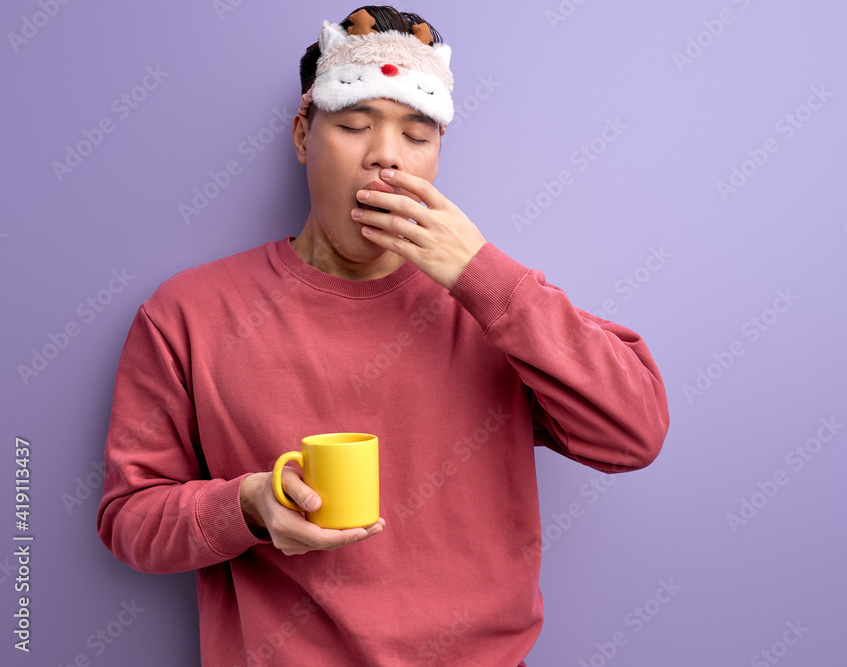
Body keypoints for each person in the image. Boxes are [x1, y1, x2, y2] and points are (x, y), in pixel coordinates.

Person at [97, 6, 669, 665]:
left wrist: (482, 274)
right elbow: (129, 519)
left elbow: (634, 432)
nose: (386, 156)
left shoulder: (496, 308)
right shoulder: (187, 314)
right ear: (303, 135)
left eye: (417, 134)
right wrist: (248, 506)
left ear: (437, 154)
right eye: (354, 125)